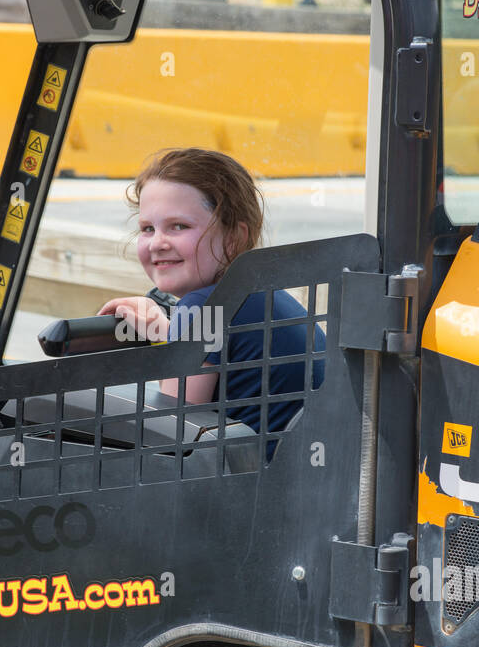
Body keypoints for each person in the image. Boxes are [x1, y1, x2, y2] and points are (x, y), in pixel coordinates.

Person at [98, 148, 326, 440]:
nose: (157, 243)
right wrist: (168, 333)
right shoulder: (259, 294)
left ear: (234, 238)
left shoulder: (203, 304)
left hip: (245, 480)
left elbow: (172, 432)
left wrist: (171, 339)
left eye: (179, 226)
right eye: (147, 228)